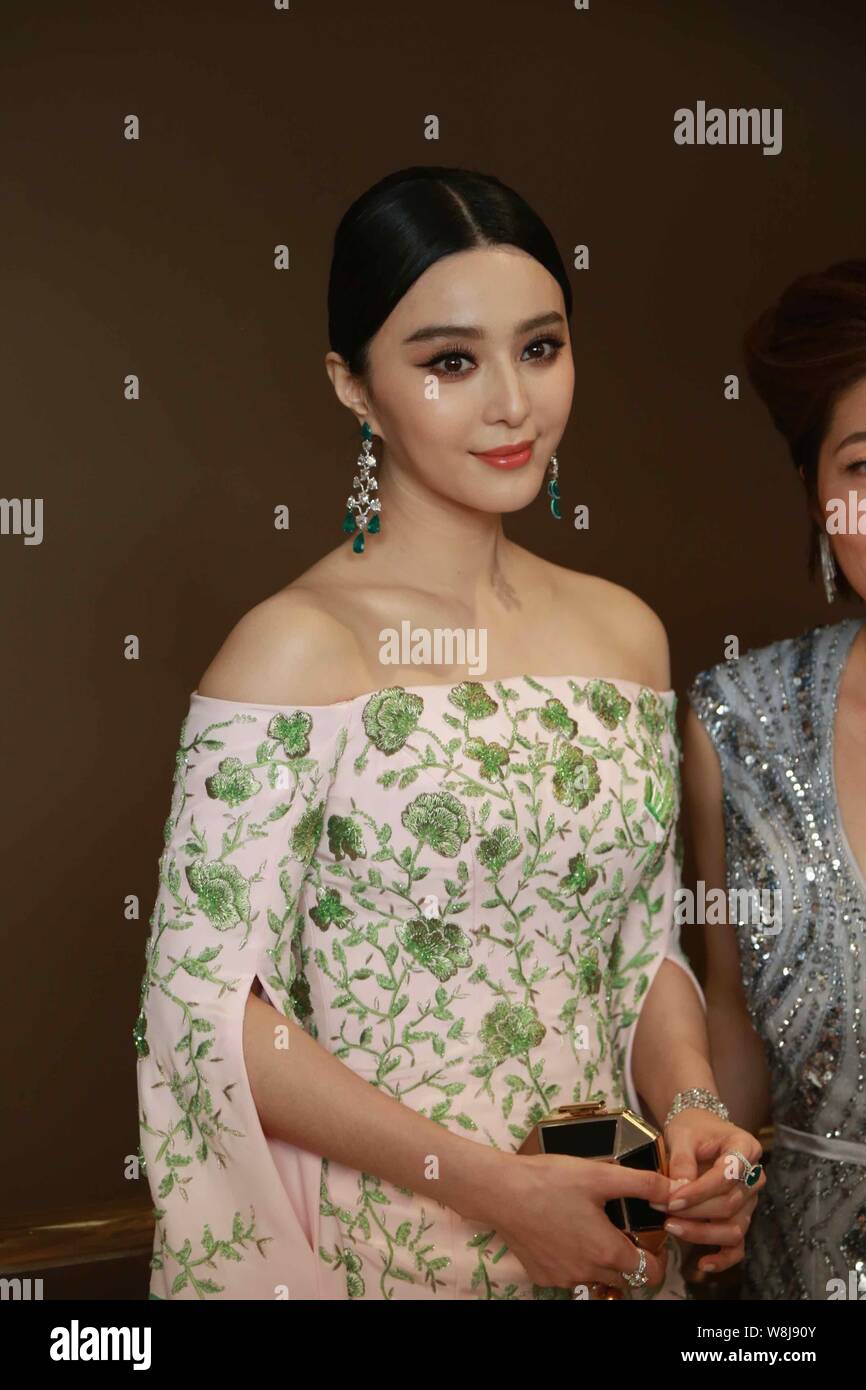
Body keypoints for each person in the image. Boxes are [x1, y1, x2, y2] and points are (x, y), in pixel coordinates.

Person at [134, 165, 764, 1301]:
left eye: (539, 347)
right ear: (353, 384)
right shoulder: (292, 648)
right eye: (448, 362)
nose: (512, 405)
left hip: (604, 1234)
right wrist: (492, 1188)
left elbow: (636, 947)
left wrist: (689, 1109)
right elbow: (204, 1005)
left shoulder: (623, 633)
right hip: (387, 1250)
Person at [684, 259, 866, 1299]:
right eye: (860, 466)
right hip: (795, 1273)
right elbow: (728, 1025)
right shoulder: (736, 718)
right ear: (814, 497)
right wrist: (706, 1152)